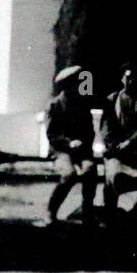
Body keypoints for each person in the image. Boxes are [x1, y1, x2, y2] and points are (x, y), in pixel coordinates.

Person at [99, 64, 137, 225]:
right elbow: (106, 127)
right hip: (116, 151)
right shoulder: (112, 100)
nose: (130, 81)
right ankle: (110, 214)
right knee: (113, 176)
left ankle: (133, 215)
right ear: (122, 79)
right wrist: (114, 144)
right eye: (127, 77)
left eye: (133, 78)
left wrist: (130, 143)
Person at [44, 65, 99, 227]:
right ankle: (51, 211)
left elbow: (90, 131)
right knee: (69, 174)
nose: (78, 86)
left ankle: (87, 212)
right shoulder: (54, 105)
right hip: (60, 151)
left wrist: (83, 142)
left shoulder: (82, 105)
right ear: (65, 85)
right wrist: (69, 143)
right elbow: (51, 135)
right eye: (74, 83)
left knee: (90, 169)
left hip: (81, 151)